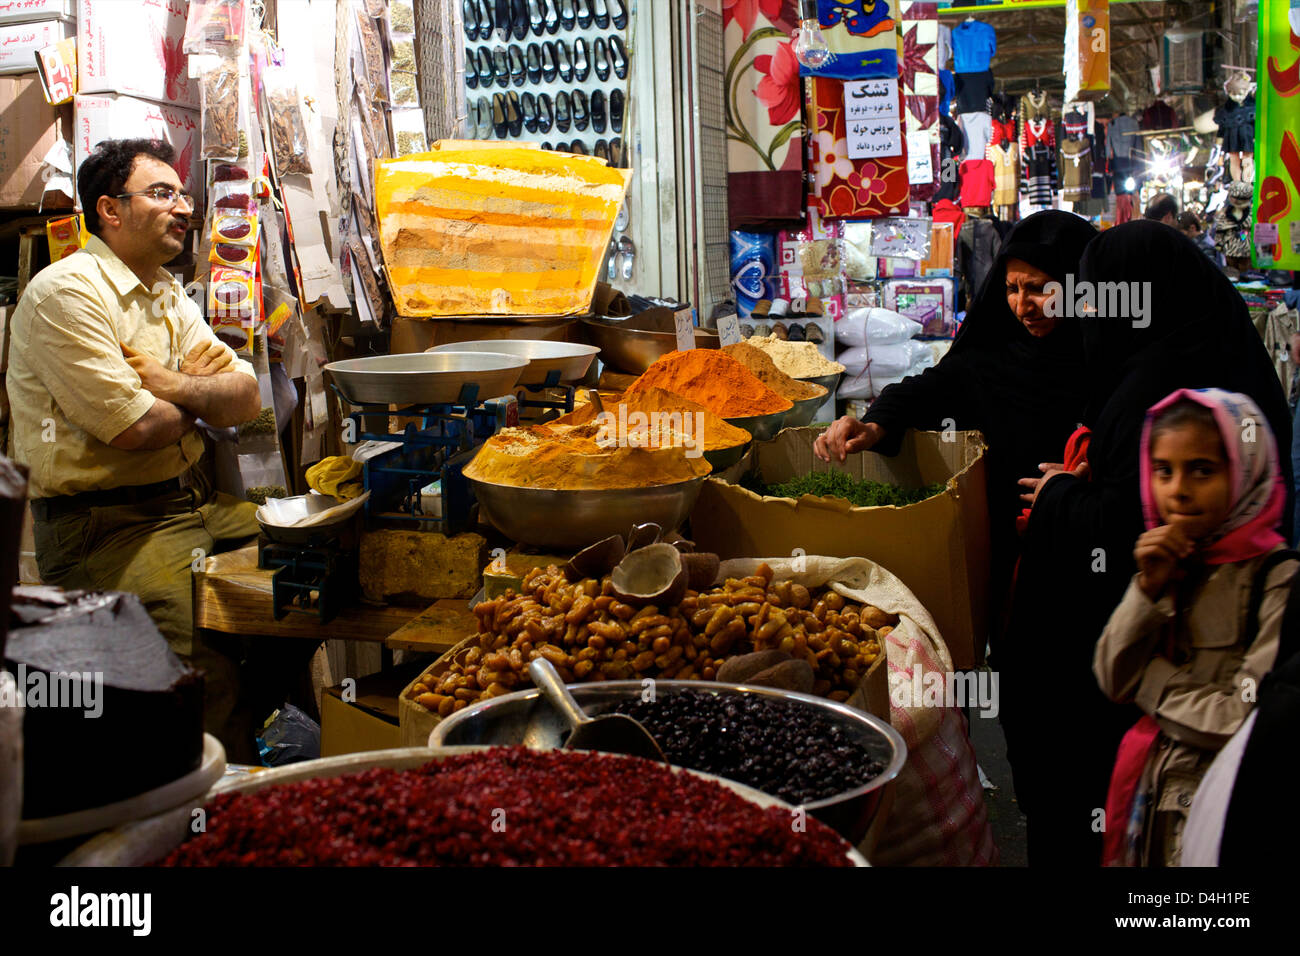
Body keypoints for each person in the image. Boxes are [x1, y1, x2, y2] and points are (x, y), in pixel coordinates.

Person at [1007, 220, 1292, 866]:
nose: (1090, 314)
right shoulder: (1200, 349)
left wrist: (1061, 499)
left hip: (1186, 748)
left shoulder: (1165, 385)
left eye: (1101, 295)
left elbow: (1135, 527)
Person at [5, 138, 263, 750]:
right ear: (109, 210)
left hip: (190, 504)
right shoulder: (65, 294)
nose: (183, 207)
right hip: (108, 526)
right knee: (199, 671)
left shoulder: (166, 292)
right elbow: (134, 430)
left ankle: (246, 761)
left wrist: (172, 385)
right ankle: (195, 819)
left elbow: (247, 399)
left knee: (307, 581)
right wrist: (200, 401)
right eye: (161, 192)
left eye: (182, 193)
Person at [815, 210, 1099, 640]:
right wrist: (874, 425)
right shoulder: (994, 355)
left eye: (1040, 289)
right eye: (1011, 289)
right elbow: (930, 387)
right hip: (1005, 546)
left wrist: (1083, 484)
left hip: (1086, 547)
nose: (1023, 306)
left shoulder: (1103, 358)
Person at [1093, 389, 1296, 866]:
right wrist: (1147, 589)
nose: (1178, 490)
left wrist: (1152, 683)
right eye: (1163, 470)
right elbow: (1110, 673)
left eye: (1202, 470)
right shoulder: (1171, 560)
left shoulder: (1277, 579)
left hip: (1222, 809)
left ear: (1245, 470)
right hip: (1153, 796)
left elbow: (1243, 722)